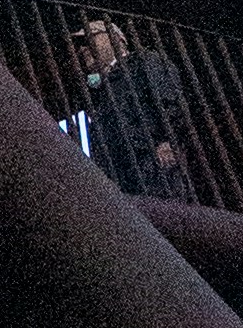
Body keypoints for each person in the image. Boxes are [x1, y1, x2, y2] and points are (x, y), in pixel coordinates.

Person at [72, 17, 190, 200]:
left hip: (150, 163)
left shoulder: (144, 63)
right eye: (81, 44)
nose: (82, 49)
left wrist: (170, 142)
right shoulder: (100, 87)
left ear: (116, 39)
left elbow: (170, 101)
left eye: (90, 38)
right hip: (119, 175)